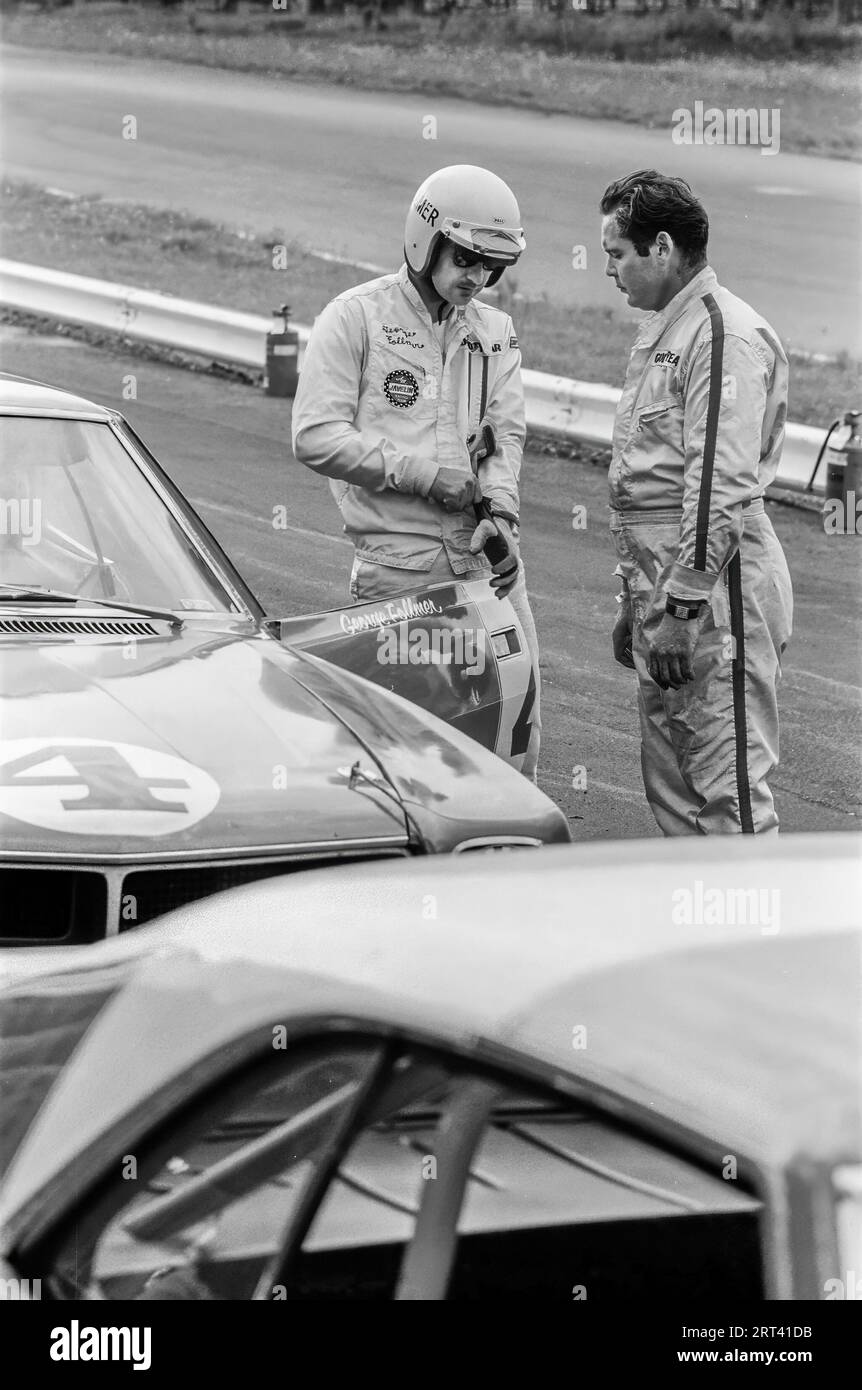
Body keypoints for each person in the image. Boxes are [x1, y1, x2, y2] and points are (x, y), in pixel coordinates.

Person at [291, 163, 541, 780]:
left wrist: (501, 512)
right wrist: (426, 477)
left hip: (489, 566)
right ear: (424, 239)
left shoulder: (497, 333)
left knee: (511, 751)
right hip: (398, 578)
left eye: (490, 267)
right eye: (464, 260)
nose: (477, 278)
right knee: (406, 764)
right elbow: (314, 436)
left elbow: (506, 434)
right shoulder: (356, 318)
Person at [600, 169, 793, 835]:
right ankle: (696, 923)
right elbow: (653, 489)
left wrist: (682, 606)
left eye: (616, 255)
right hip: (672, 590)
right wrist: (637, 603)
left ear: (660, 247)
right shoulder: (671, 329)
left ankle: (749, 934)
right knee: (676, 787)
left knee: (724, 788)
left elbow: (717, 483)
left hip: (714, 590)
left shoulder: (719, 333)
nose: (610, 272)